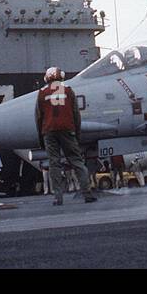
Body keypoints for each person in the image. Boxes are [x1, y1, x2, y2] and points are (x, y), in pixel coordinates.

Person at [34, 67, 97, 205]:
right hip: (68, 130)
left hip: (49, 131)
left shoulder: (42, 92)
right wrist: (77, 134)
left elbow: (39, 117)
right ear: (61, 76)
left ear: (47, 78)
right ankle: (87, 193)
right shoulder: (68, 90)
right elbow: (76, 114)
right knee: (77, 161)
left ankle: (58, 197)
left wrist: (41, 138)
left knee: (54, 164)